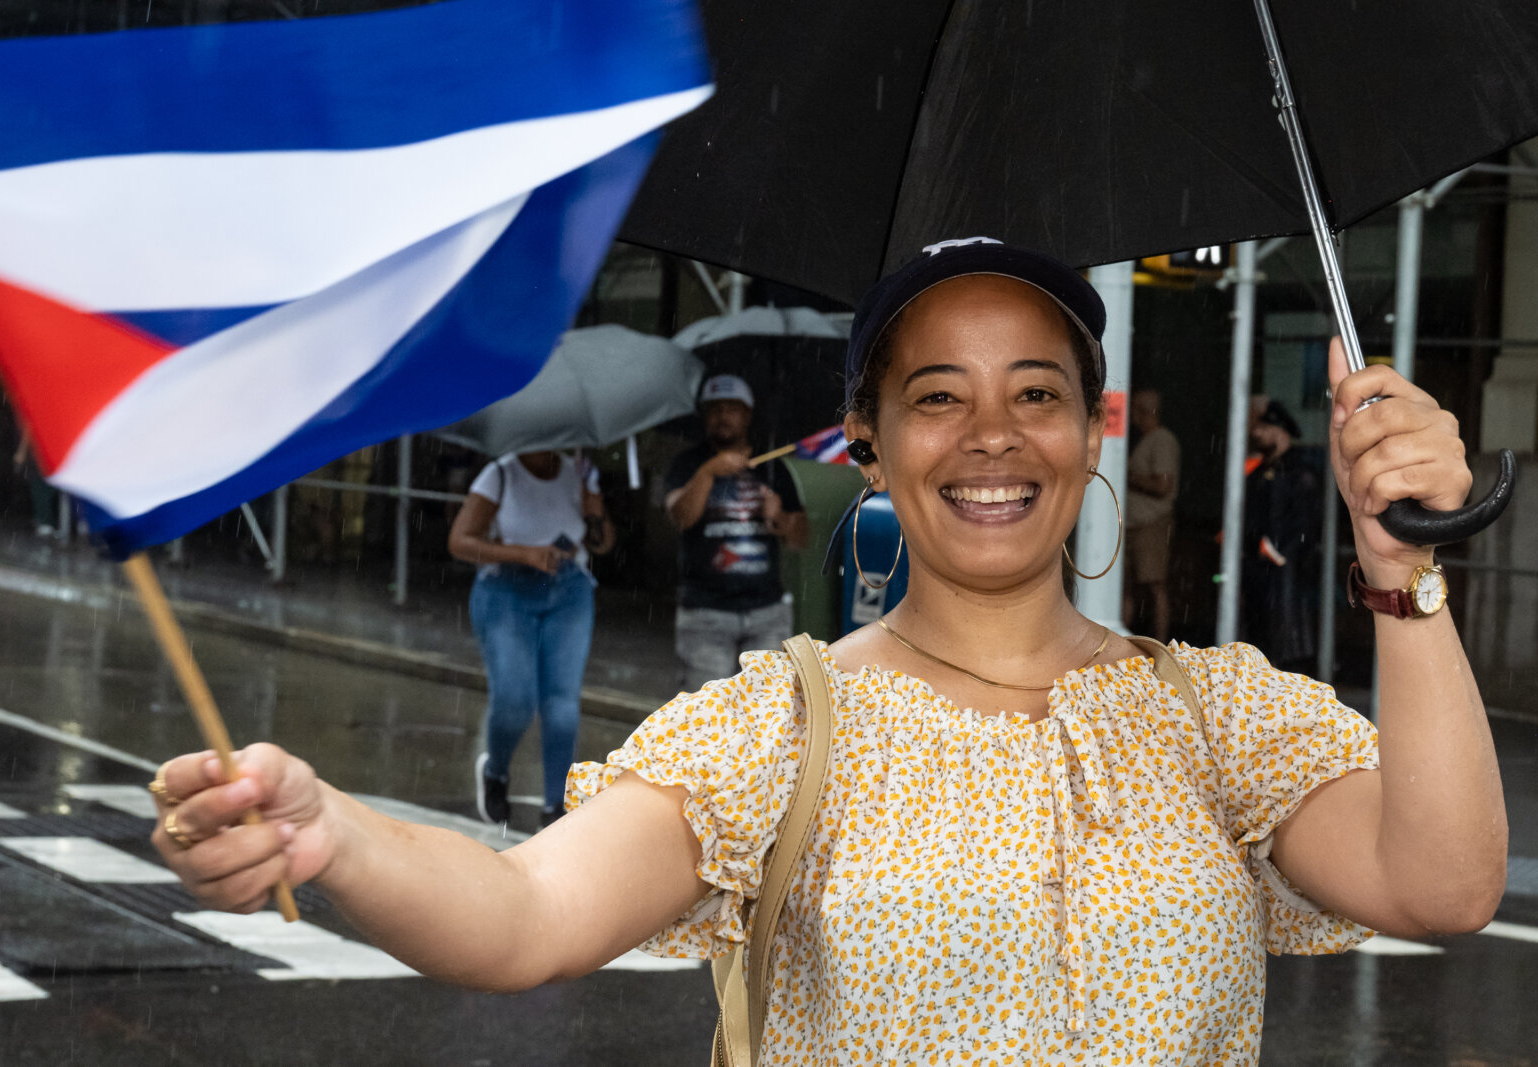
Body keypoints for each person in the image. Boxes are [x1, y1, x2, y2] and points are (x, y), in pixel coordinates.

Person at [147, 241, 1504, 1065]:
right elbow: (527, 917)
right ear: (868, 439)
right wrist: (335, 833)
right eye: (936, 397)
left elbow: (1440, 883)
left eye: (1035, 392)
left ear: (1088, 427)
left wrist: (1402, 570)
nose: (991, 434)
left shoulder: (1215, 716)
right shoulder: (778, 727)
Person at [446, 450, 615, 828]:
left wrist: (594, 508)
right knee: (514, 700)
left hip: (568, 591)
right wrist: (524, 554)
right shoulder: (500, 474)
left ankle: (556, 805)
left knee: (562, 705)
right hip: (506, 591)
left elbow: (603, 544)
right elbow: (459, 541)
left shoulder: (580, 471)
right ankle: (496, 771)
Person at [663, 374, 809, 689]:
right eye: (715, 408)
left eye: (732, 408)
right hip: (705, 613)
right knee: (707, 726)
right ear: (704, 415)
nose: (723, 416)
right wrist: (708, 472)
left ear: (748, 414)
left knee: (765, 721)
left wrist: (780, 517)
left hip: (766, 613)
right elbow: (681, 517)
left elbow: (800, 538)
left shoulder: (772, 466)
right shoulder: (688, 464)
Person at [1242, 399, 1323, 672]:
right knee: (1261, 630)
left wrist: (1280, 552)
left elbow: (1304, 523)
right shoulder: (1260, 470)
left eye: (1264, 428)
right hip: (1259, 567)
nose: (1257, 434)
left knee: (1286, 631)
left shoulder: (1298, 472)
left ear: (1279, 431)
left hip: (1284, 569)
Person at [1122, 387, 1180, 639]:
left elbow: (1163, 485)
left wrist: (1127, 478)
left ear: (1145, 411)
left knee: (1155, 585)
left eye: (1134, 408)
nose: (1131, 414)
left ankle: (1161, 644)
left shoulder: (1162, 440)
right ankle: (1121, 641)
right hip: (1133, 523)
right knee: (1125, 587)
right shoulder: (1144, 440)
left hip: (1152, 523)